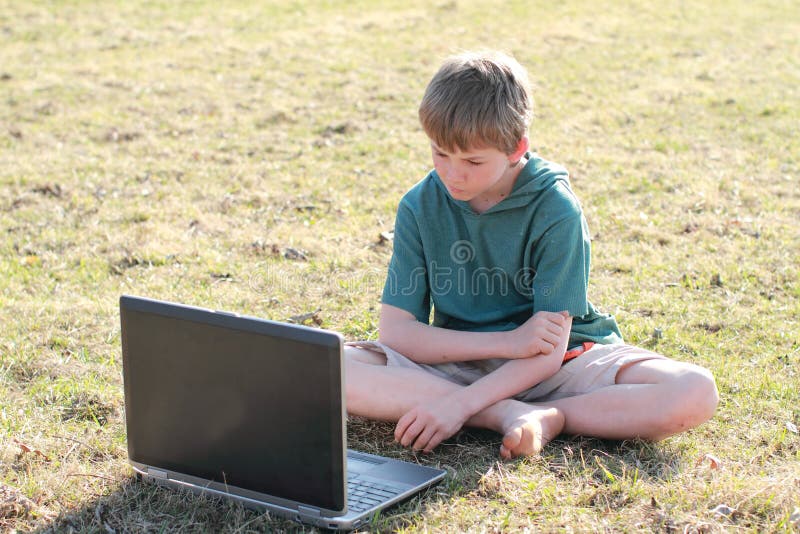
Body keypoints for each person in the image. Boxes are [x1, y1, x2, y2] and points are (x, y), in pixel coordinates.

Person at [345, 50, 718, 459]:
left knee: (694, 391)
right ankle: (504, 414)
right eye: (439, 153)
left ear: (516, 148)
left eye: (472, 160)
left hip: (559, 368)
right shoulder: (419, 205)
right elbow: (397, 334)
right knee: (329, 366)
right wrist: (508, 343)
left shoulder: (555, 207)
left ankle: (551, 415)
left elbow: (545, 353)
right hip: (457, 365)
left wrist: (457, 404)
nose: (452, 173)